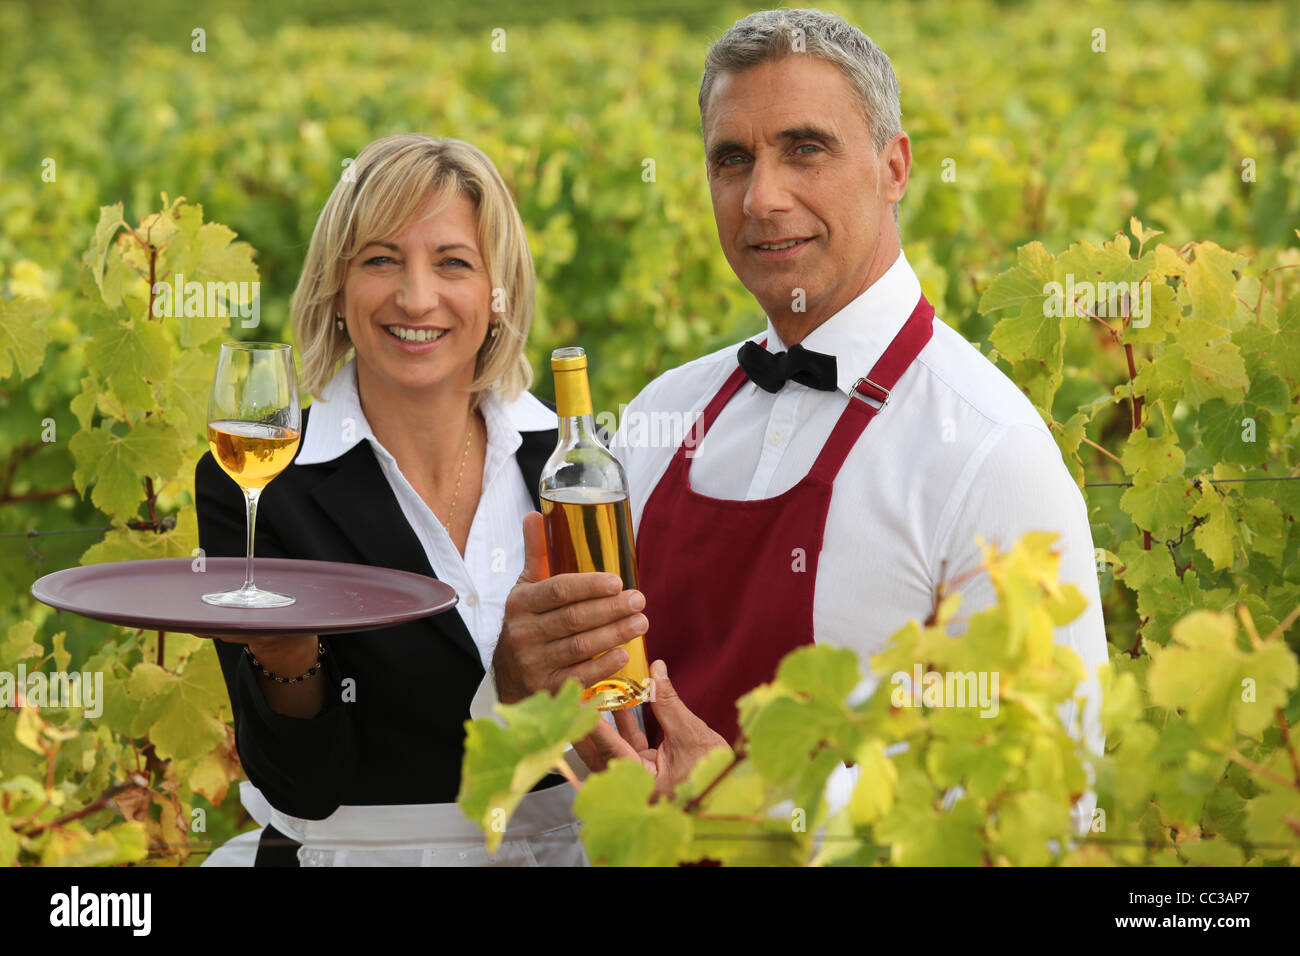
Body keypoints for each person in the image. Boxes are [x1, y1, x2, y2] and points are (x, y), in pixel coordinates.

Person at [486, 9, 1108, 834]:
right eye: (732, 159)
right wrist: (521, 683)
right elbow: (566, 761)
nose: (761, 197)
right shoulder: (661, 415)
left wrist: (759, 809)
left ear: (895, 168)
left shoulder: (992, 454)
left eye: (805, 149)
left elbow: (1048, 805)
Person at [195, 133, 584, 866]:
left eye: (453, 264)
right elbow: (300, 785)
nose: (415, 297)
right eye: (380, 260)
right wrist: (288, 664)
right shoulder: (253, 484)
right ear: (337, 291)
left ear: (498, 296)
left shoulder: (572, 464)